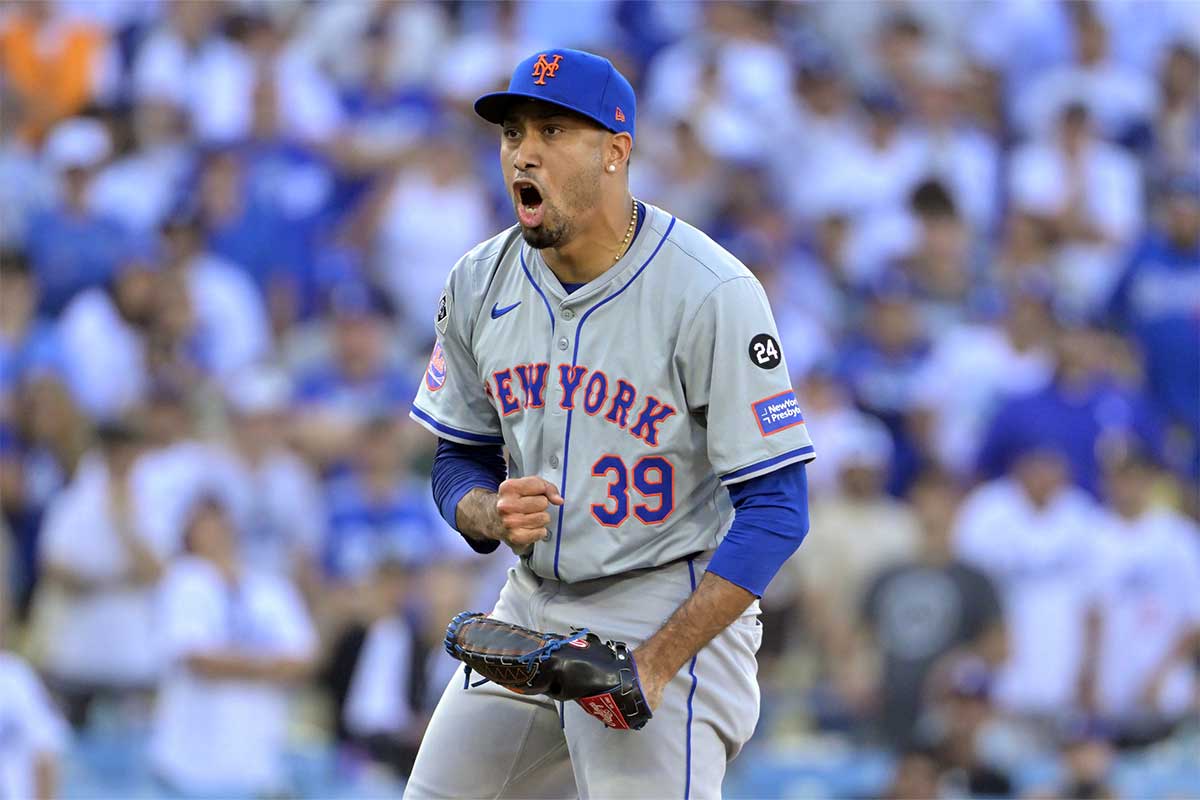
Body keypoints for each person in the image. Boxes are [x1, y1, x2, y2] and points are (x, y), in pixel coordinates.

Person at [404, 49, 815, 797]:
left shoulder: (710, 291)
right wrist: (485, 510)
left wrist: (654, 663)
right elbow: (455, 459)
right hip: (530, 601)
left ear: (616, 152)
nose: (524, 152)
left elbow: (780, 510)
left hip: (670, 601)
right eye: (512, 133)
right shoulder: (478, 280)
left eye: (553, 130)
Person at [150, 496, 317, 796]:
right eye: (202, 525)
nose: (213, 532)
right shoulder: (182, 580)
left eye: (218, 523)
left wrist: (233, 663)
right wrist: (267, 666)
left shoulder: (270, 588)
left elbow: (305, 659)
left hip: (258, 764)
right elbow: (198, 660)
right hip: (188, 768)